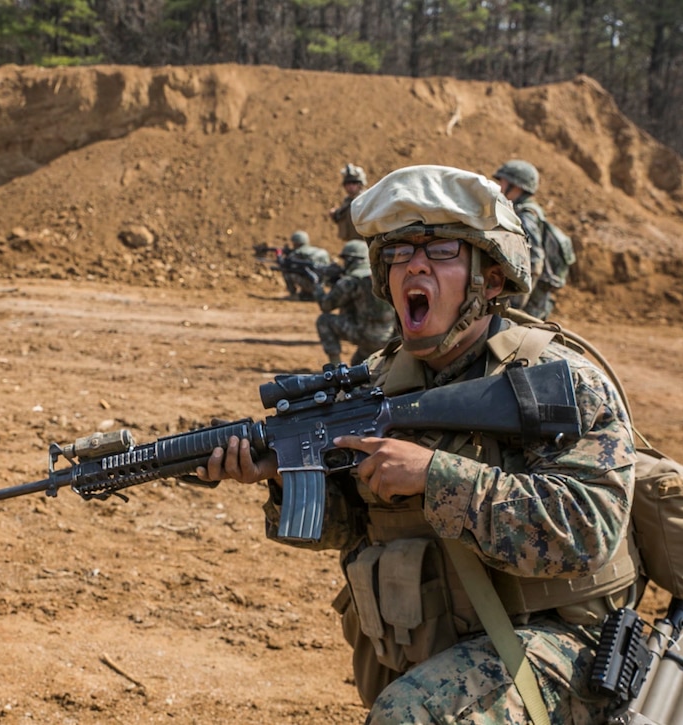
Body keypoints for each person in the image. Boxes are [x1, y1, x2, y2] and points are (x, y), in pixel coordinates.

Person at [199, 165, 637, 724]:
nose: (416, 264)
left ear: (491, 280)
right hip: (441, 639)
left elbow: (589, 528)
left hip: (562, 644)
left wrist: (435, 476)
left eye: (443, 250)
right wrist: (285, 478)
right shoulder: (378, 378)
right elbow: (358, 527)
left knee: (409, 717)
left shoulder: (556, 381)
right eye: (399, 251)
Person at [493, 159, 564, 320]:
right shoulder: (524, 211)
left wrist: (517, 304)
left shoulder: (526, 216)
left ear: (516, 186)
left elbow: (535, 260)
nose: (500, 188)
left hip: (530, 300)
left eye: (503, 183)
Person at [311, 239, 395, 366]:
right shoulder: (386, 276)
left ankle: (335, 367)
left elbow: (326, 306)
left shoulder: (350, 281)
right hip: (391, 338)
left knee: (324, 320)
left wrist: (318, 288)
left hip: (364, 336)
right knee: (357, 363)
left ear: (351, 260)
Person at [284, 230, 334, 301]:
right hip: (321, 285)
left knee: (287, 272)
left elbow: (289, 264)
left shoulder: (299, 252)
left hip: (312, 283)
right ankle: (306, 293)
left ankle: (294, 295)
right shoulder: (317, 251)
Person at [329, 163, 368, 241]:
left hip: (364, 241)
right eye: (348, 183)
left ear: (360, 184)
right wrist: (335, 213)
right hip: (352, 241)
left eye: (354, 183)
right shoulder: (347, 201)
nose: (350, 186)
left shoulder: (365, 199)